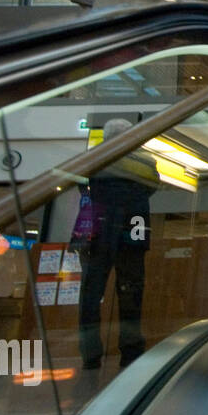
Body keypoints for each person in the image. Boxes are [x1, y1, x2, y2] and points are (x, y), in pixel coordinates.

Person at [71, 118, 158, 370]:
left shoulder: (94, 157)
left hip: (97, 231)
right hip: (134, 229)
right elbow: (153, 185)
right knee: (131, 291)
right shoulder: (145, 160)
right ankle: (130, 351)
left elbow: (80, 184)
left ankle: (90, 353)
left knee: (90, 293)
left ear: (106, 136)